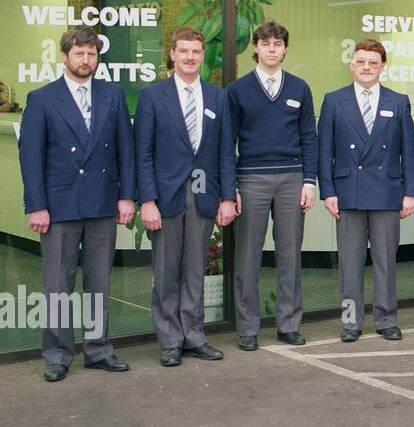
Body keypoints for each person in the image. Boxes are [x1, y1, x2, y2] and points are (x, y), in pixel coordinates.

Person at [18, 27, 136, 381]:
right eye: (80, 54)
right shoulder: (42, 98)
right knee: (58, 283)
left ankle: (98, 349)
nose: (86, 61)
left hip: (102, 202)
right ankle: (57, 354)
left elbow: (124, 150)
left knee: (99, 281)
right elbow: (31, 157)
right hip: (58, 205)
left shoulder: (112, 95)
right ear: (64, 56)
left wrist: (127, 196)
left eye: (92, 54)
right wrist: (36, 205)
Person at [135, 27, 236, 366]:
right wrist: (146, 200)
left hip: (204, 195)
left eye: (196, 51)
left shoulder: (218, 97)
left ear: (202, 55)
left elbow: (225, 152)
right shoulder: (153, 97)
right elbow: (143, 153)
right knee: (166, 270)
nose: (190, 57)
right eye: (184, 51)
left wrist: (226, 198)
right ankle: (169, 340)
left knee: (195, 268)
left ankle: (194, 336)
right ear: (173, 55)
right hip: (165, 198)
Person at [227, 21, 318, 350]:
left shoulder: (299, 88)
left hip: (292, 178)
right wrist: (230, 187)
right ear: (255, 48)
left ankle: (288, 323)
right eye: (265, 44)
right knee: (248, 256)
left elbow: (309, 137)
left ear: (285, 49)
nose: (271, 49)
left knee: (290, 254)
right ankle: (248, 327)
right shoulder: (238, 91)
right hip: (250, 178)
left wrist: (310, 181)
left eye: (277, 44)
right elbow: (227, 142)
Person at [319, 39, 414, 342]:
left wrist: (410, 191)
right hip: (348, 192)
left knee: (385, 262)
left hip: (387, 192)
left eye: (373, 63)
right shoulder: (334, 101)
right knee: (350, 264)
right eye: (361, 61)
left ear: (382, 67)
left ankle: (386, 320)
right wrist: (328, 191)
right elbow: (324, 150)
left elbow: (408, 151)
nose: (366, 68)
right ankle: (351, 322)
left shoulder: (398, 101)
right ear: (351, 64)